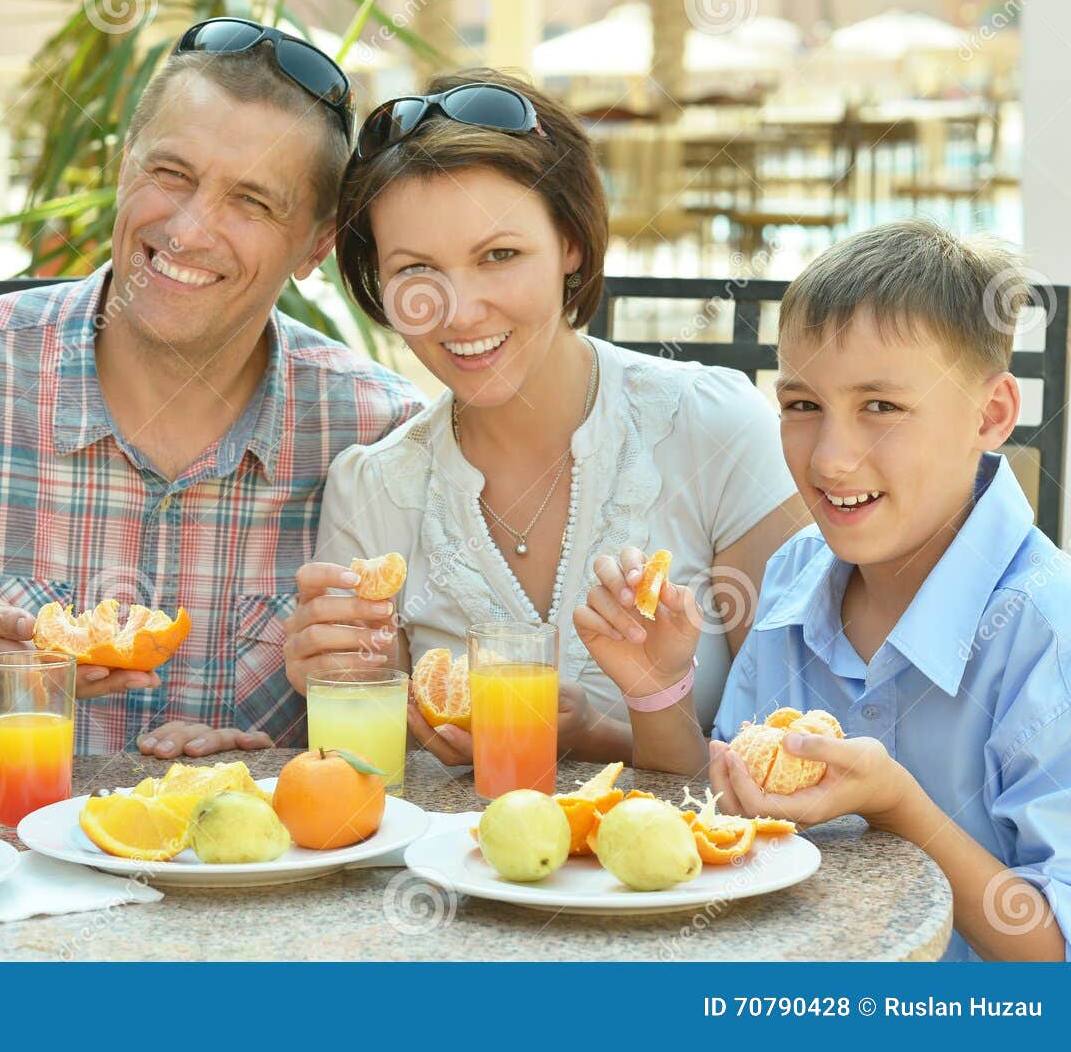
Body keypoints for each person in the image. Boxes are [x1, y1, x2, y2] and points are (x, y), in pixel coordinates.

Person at [0, 18, 421, 762]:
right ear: (124, 164)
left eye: (252, 202)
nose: (191, 229)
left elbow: (429, 758)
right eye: (172, 174)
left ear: (317, 245)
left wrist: (273, 776)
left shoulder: (385, 439)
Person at [578, 219, 1070, 961]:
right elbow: (725, 803)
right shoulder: (795, 572)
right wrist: (656, 688)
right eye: (803, 405)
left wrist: (896, 803)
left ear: (991, 414)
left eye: (881, 407)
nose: (833, 459)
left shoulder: (1045, 626)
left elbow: (1051, 955)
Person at [289, 69, 803, 765]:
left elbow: (798, 758)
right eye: (416, 269)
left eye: (499, 255)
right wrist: (335, 687)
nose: (461, 310)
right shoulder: (372, 491)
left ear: (571, 244)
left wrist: (597, 737)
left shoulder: (717, 429)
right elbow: (362, 787)